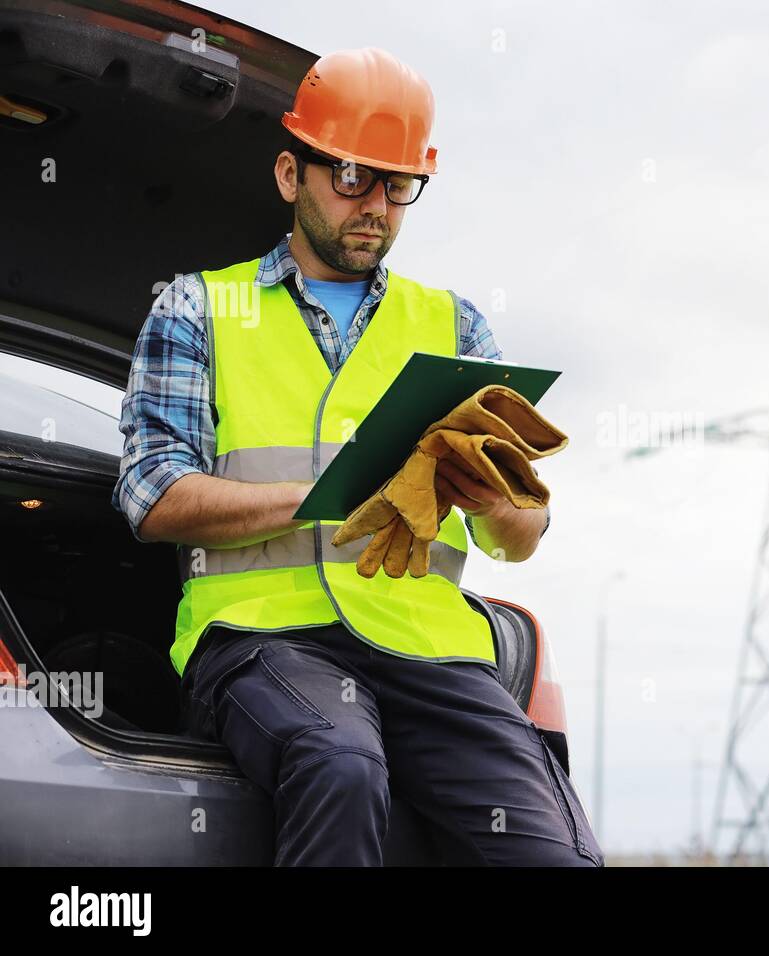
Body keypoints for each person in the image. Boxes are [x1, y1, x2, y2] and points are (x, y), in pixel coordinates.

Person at [113, 46, 601, 867]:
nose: (374, 204)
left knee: (547, 850)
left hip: (431, 654)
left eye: (397, 184)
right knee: (339, 764)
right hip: (264, 640)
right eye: (349, 176)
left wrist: (487, 495)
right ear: (288, 174)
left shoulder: (455, 325)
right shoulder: (199, 307)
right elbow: (152, 497)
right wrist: (342, 489)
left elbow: (518, 537)